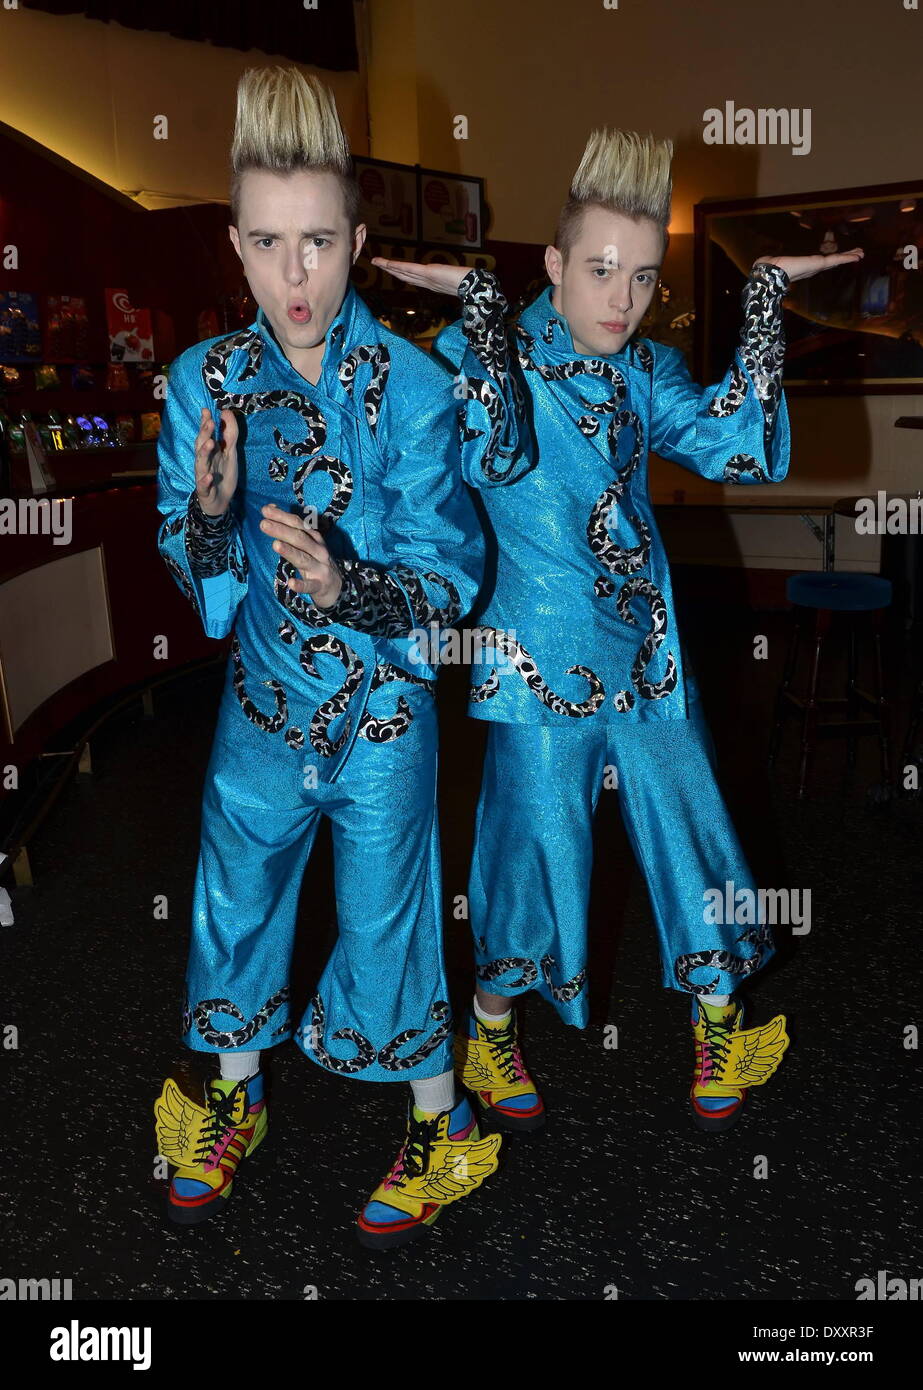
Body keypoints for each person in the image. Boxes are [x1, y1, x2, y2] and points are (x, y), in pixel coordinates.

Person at [374, 128, 863, 1135]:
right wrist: (474, 311)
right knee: (527, 849)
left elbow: (736, 440)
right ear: (551, 264)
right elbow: (496, 454)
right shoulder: (483, 352)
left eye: (641, 277)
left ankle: (719, 1025)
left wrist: (762, 295)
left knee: (691, 825)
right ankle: (490, 1027)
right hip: (530, 662)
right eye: (598, 270)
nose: (620, 298)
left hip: (644, 653)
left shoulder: (645, 369)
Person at [153, 65, 501, 1250]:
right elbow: (198, 583)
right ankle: (234, 1095)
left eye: (316, 243)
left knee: (389, 919)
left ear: (355, 238)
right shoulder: (200, 385)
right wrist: (210, 513)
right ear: (234, 244)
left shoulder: (415, 388)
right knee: (235, 902)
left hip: (380, 718)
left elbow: (452, 574)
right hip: (258, 706)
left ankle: (439, 1127)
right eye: (266, 244)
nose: (294, 278)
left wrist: (347, 584)